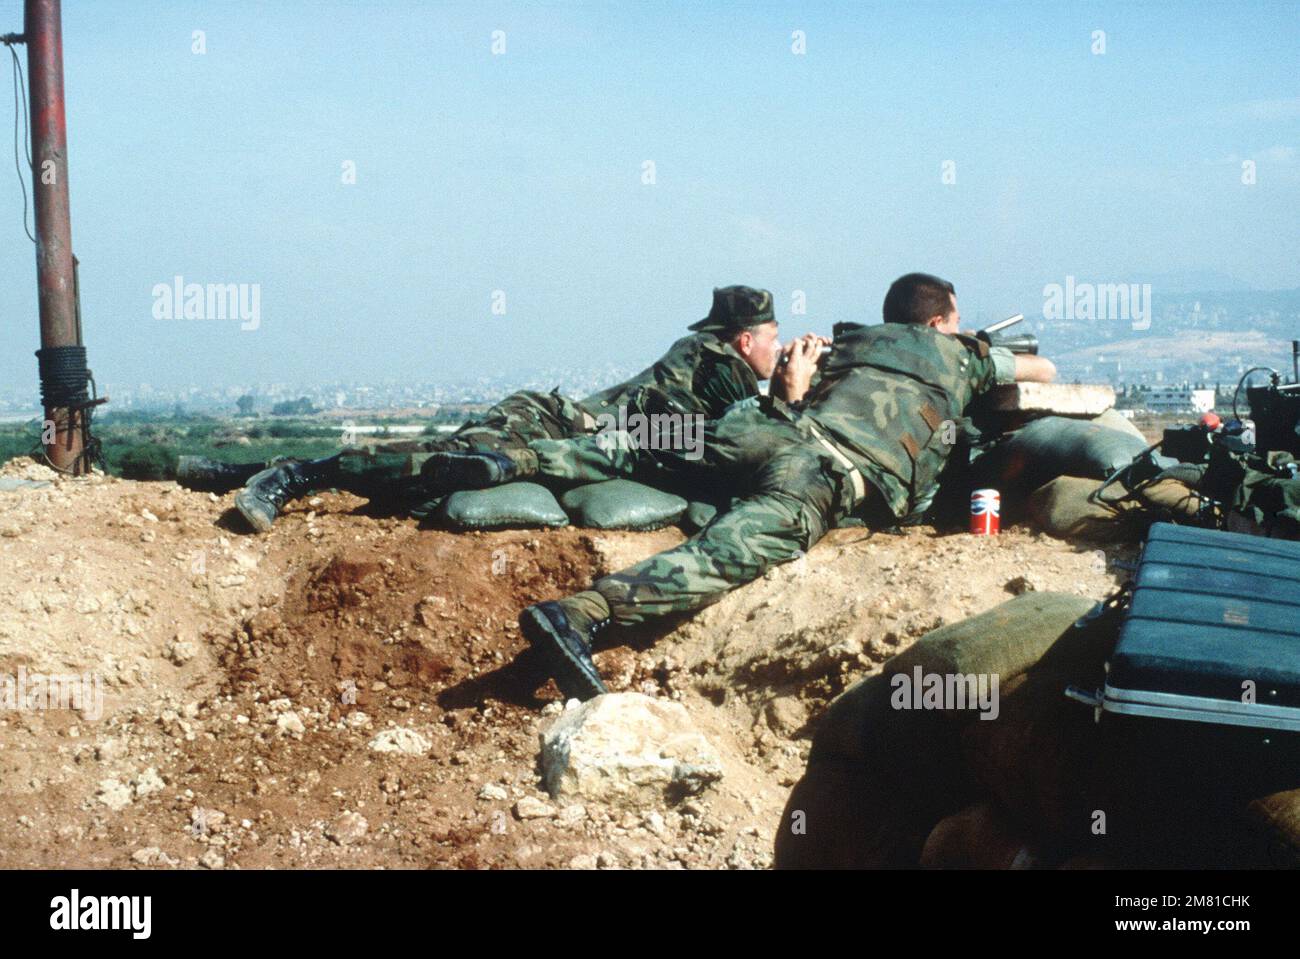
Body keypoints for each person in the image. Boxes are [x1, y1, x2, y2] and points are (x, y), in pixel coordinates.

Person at [421, 273, 1057, 700]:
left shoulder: (849, 343)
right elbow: (1042, 367)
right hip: (823, 471)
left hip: (769, 428)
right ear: (943, 322)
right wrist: (973, 347)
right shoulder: (962, 354)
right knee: (728, 550)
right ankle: (580, 615)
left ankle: (511, 464)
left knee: (647, 444)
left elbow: (790, 394)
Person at [212, 285, 824, 531]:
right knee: (445, 464)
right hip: (551, 423)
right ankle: (297, 475)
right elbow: (730, 442)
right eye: (775, 339)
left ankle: (248, 469)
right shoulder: (716, 366)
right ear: (745, 342)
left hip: (565, 426)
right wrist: (792, 393)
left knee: (430, 476)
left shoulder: (719, 364)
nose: (781, 348)